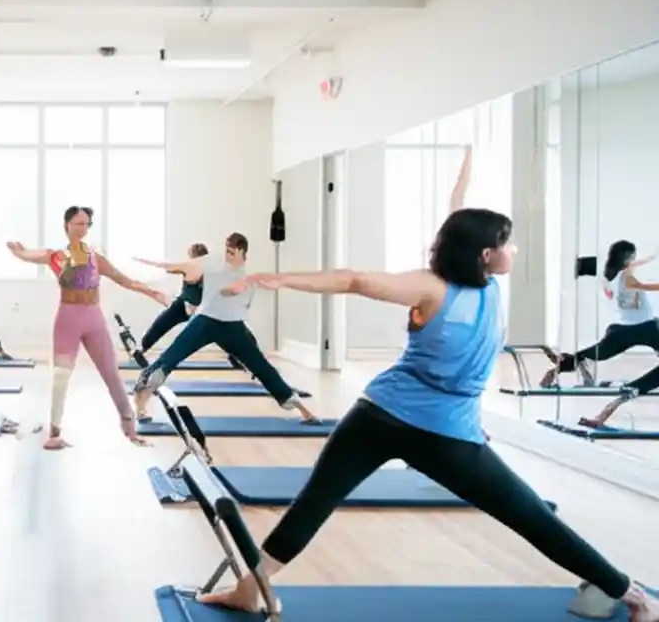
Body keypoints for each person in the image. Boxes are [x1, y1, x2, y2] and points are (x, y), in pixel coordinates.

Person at [194, 208, 659, 622]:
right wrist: (273, 278)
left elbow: (467, 345)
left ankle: (627, 591)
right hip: (402, 423)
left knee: (528, 514)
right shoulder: (433, 287)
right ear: (484, 253)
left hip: (414, 423)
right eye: (507, 241)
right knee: (317, 503)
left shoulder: (481, 288)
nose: (512, 249)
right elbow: (355, 279)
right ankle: (249, 590)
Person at [6, 205, 167, 450]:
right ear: (66, 225)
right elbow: (30, 255)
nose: (82, 228)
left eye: (86, 224)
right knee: (60, 377)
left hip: (94, 320)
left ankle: (130, 429)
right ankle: (54, 432)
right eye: (78, 223)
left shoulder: (96, 258)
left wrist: (152, 292)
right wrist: (19, 253)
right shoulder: (55, 256)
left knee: (111, 374)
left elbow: (125, 280)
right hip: (67, 320)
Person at [132, 233, 320, 424]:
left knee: (262, 367)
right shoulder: (214, 263)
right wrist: (157, 264)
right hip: (206, 321)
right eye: (226, 251)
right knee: (169, 359)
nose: (227, 256)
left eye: (231, 252)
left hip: (232, 327)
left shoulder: (249, 274)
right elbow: (185, 268)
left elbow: (244, 298)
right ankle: (141, 404)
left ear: (242, 251)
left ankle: (303, 410)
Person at [539, 240, 659, 389]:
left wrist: (651, 258)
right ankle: (636, 386)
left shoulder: (609, 275)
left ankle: (560, 367)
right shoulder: (627, 277)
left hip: (619, 330)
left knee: (595, 353)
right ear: (628, 259)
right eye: (633, 258)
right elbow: (644, 286)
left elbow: (632, 267)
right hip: (645, 327)